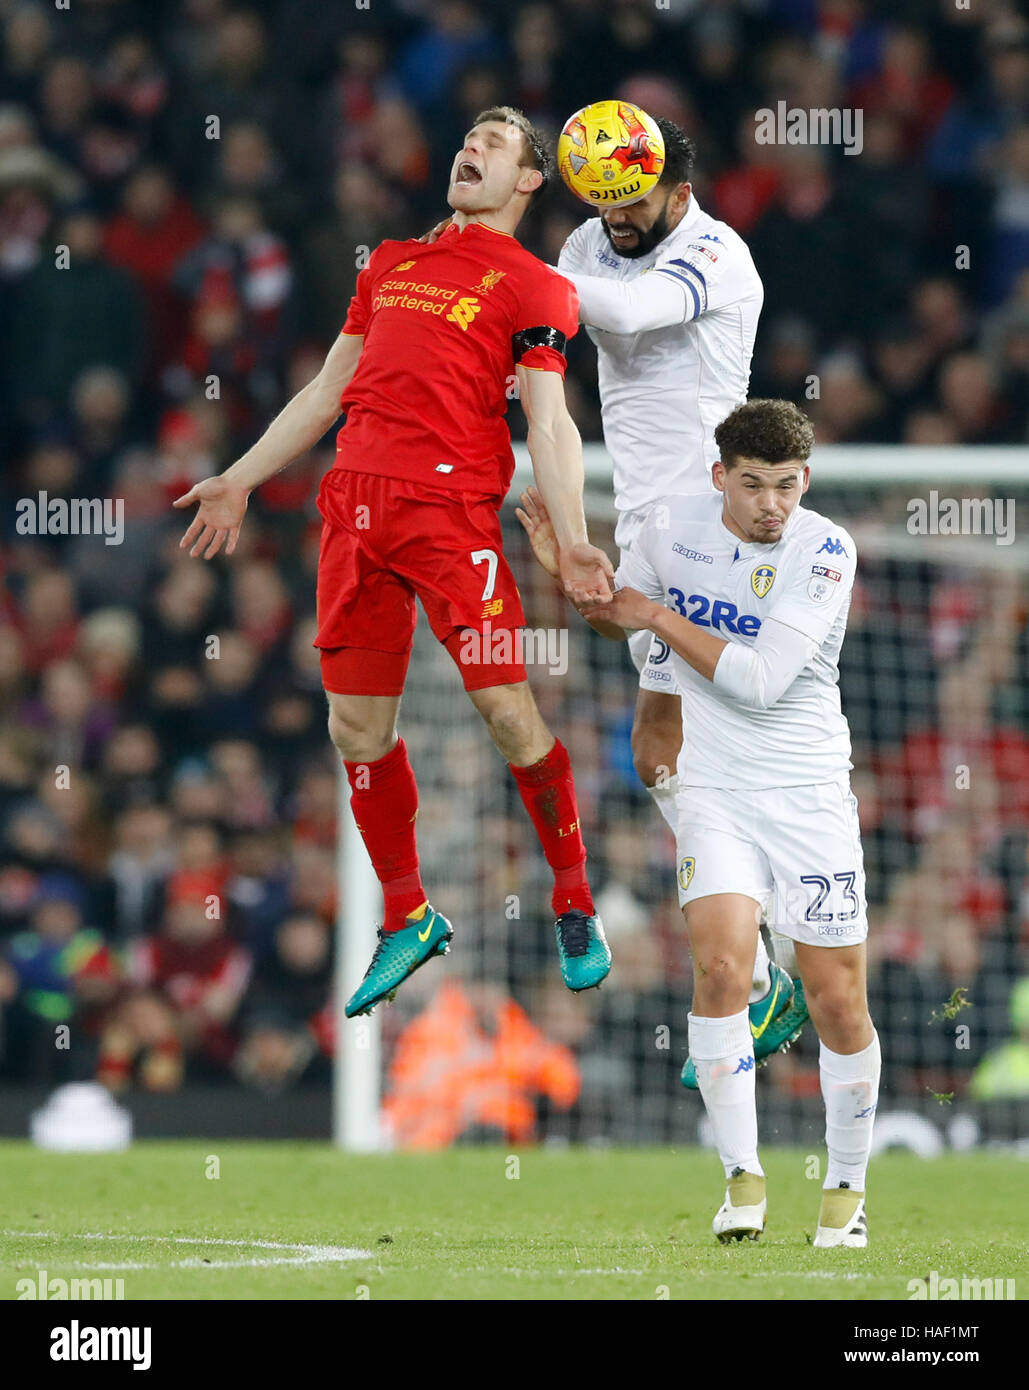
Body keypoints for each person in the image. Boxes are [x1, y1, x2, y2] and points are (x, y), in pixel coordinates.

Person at [174, 106, 615, 1019]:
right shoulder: (389, 263)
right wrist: (240, 479)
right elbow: (330, 388)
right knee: (354, 735)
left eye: (496, 144)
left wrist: (571, 536)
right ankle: (407, 914)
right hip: (353, 516)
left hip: (450, 521)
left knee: (505, 710)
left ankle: (573, 898)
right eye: (468, 137)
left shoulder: (534, 287)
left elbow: (550, 421)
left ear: (530, 181)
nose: (471, 147)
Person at [520, 399, 879, 1247]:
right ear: (719, 476)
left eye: (786, 487)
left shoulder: (824, 549)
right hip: (714, 790)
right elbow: (620, 620)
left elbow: (756, 678)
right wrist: (575, 584)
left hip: (808, 796)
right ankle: (741, 1182)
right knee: (720, 967)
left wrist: (648, 616)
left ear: (804, 482)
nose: (771, 506)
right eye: (752, 485)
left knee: (836, 998)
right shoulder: (669, 531)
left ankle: (845, 1190)